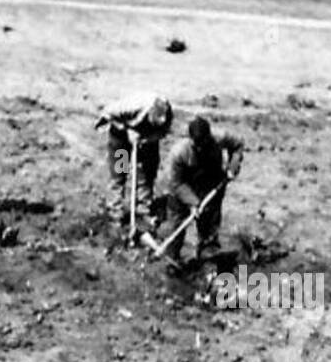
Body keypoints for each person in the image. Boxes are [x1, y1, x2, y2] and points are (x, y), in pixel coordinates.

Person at [159, 117, 245, 268]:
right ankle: (172, 260)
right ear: (190, 139)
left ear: (209, 136)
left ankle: (207, 254)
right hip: (183, 187)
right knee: (176, 225)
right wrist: (193, 203)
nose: (200, 148)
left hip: (210, 183)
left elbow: (238, 144)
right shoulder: (179, 153)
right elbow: (176, 183)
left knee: (209, 222)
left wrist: (233, 166)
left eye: (204, 144)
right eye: (197, 145)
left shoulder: (219, 138)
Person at [95, 92, 173, 242]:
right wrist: (127, 129)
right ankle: (116, 213)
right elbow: (107, 114)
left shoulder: (166, 113)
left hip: (147, 140)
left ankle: (144, 210)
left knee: (146, 173)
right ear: (149, 113)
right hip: (121, 138)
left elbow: (163, 132)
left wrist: (147, 138)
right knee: (120, 172)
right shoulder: (132, 106)